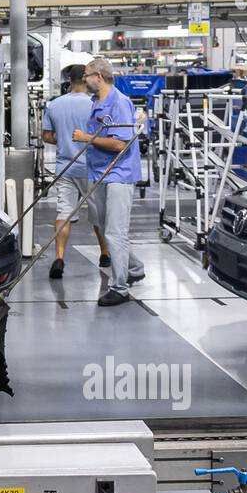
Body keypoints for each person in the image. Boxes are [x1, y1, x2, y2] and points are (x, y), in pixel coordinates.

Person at [72, 57, 145, 307]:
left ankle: (120, 287)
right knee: (105, 228)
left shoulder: (119, 103)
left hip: (119, 175)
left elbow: (120, 144)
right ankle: (135, 268)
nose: (84, 80)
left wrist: (86, 138)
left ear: (98, 77)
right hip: (100, 172)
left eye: (87, 75)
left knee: (115, 232)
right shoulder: (96, 102)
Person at [41, 64, 110, 280]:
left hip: (65, 167)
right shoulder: (95, 104)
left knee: (64, 213)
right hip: (92, 168)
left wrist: (63, 137)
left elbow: (46, 136)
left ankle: (59, 258)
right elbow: (107, 136)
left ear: (69, 81)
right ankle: (105, 254)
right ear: (88, 79)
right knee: (98, 213)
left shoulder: (54, 105)